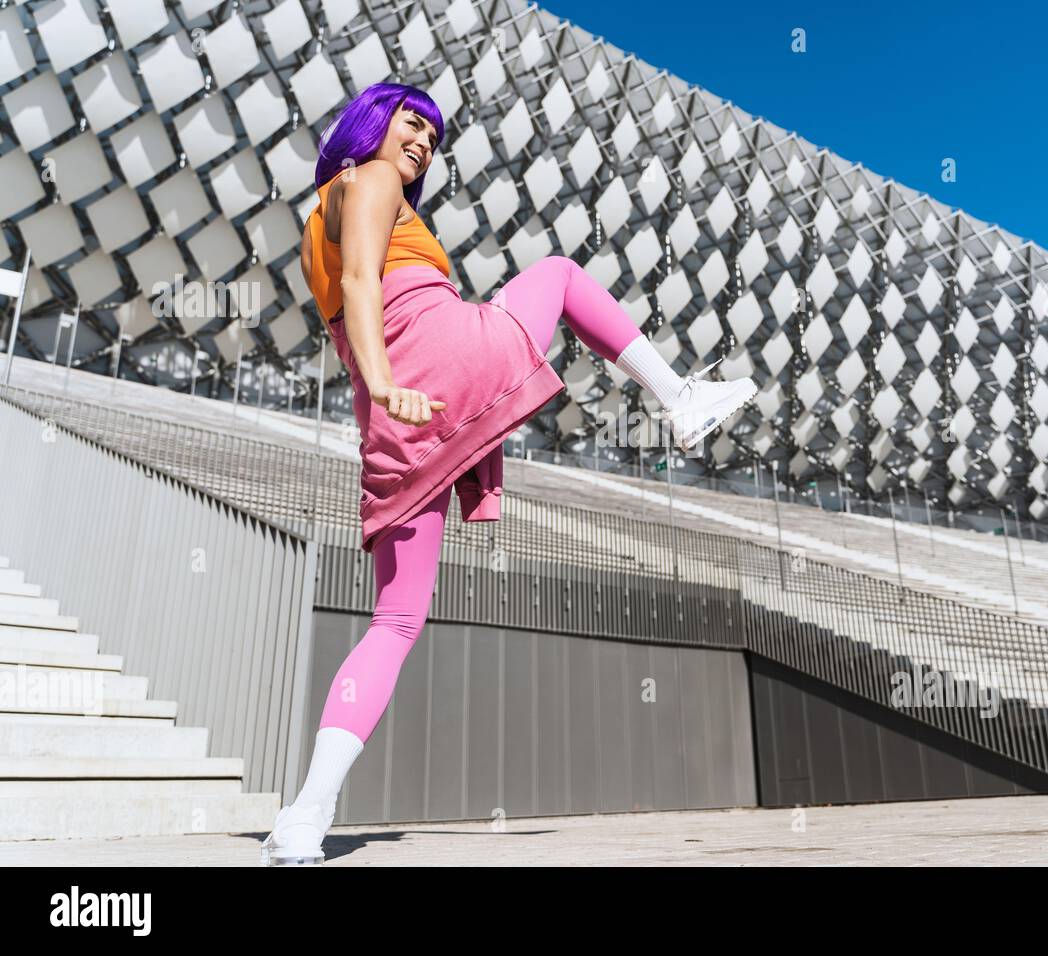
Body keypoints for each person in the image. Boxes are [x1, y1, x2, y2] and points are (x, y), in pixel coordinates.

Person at [260, 83, 756, 865]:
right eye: (410, 123)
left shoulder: (314, 216)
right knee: (557, 273)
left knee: (394, 622)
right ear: (369, 123)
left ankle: (305, 816)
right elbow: (363, 280)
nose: (421, 142)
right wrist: (391, 374)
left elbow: (347, 291)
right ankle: (679, 397)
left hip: (395, 419)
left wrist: (384, 388)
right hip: (430, 364)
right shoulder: (371, 179)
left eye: (432, 135)